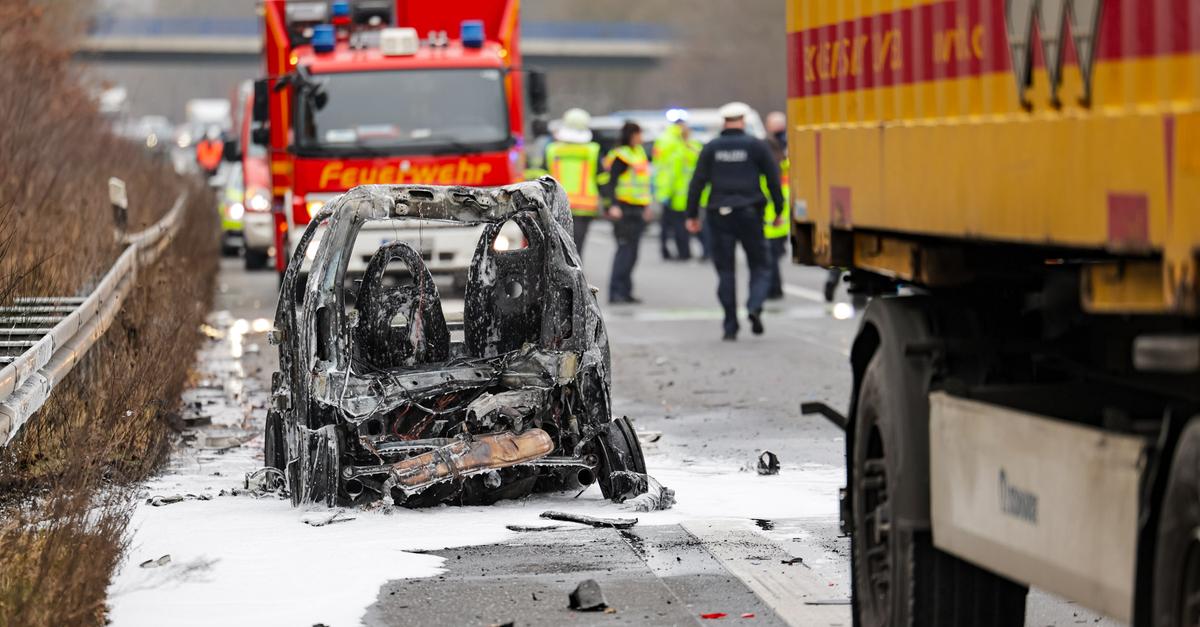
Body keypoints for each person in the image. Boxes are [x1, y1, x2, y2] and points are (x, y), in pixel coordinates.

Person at [686, 102, 784, 340]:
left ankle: (730, 325)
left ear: (724, 122)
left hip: (719, 214)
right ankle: (754, 306)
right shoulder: (756, 146)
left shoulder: (711, 148)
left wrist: (692, 215)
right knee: (760, 266)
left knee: (725, 271)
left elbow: (697, 182)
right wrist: (779, 210)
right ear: (743, 120)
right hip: (750, 213)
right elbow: (773, 178)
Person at [600, 121, 653, 304]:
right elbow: (611, 182)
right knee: (624, 251)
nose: (641, 138)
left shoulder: (638, 153)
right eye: (639, 134)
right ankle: (615, 292)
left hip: (637, 208)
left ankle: (626, 291)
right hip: (623, 208)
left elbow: (643, 184)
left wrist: (646, 206)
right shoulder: (621, 156)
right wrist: (612, 205)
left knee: (633, 253)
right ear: (631, 135)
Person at [544, 108, 602, 255]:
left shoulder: (552, 150)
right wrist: (609, 203)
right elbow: (602, 178)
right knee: (576, 248)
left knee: (558, 249)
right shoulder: (593, 150)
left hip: (557, 205)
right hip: (584, 208)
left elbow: (541, 176)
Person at [653, 118, 703, 261]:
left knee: (669, 224)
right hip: (682, 191)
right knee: (684, 224)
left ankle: (670, 252)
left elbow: (664, 168)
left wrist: (664, 192)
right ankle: (687, 252)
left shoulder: (666, 141)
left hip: (671, 191)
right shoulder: (686, 145)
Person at [762, 137, 790, 299]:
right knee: (774, 258)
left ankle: (773, 289)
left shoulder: (764, 169)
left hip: (769, 219)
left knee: (768, 259)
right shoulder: (785, 166)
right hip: (783, 220)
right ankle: (776, 288)